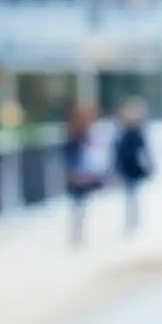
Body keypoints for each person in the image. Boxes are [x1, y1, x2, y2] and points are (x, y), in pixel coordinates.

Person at [63, 105, 104, 245]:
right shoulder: (73, 139)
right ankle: (77, 233)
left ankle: (79, 233)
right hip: (76, 178)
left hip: (83, 177)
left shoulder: (86, 137)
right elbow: (70, 159)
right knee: (77, 206)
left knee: (81, 206)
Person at [113, 99, 153, 234]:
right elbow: (119, 152)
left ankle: (134, 222)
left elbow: (144, 151)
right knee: (130, 194)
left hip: (134, 168)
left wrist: (148, 165)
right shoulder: (123, 134)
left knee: (133, 194)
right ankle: (131, 222)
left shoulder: (137, 134)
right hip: (127, 168)